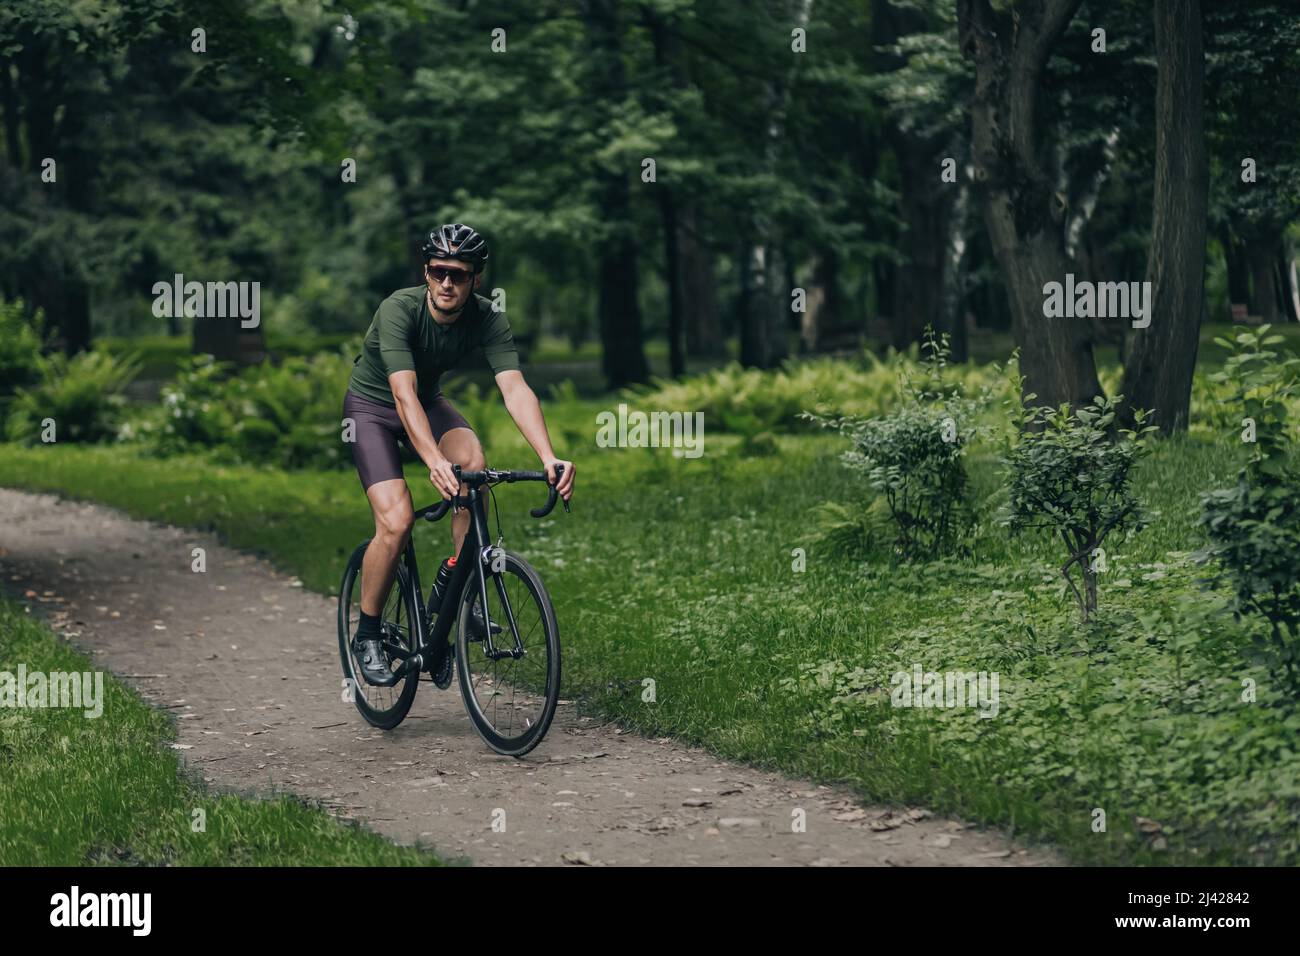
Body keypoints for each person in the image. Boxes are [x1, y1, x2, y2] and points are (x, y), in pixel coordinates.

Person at [342, 223, 575, 685]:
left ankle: (458, 590)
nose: (447, 283)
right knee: (396, 521)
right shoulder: (399, 309)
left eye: (460, 275)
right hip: (373, 408)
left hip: (428, 403)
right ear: (425, 273)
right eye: (438, 271)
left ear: (476, 280)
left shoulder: (488, 318)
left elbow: (515, 388)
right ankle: (367, 633)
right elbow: (402, 396)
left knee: (474, 470)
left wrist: (550, 456)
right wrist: (431, 461)